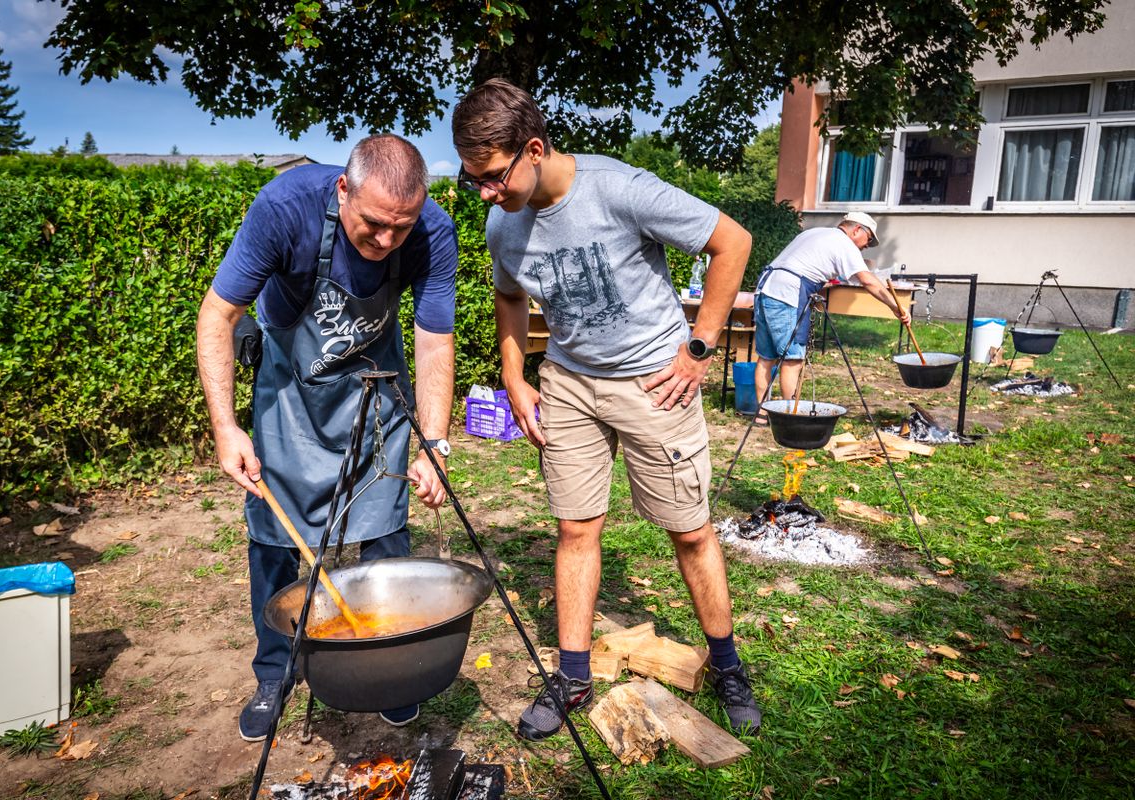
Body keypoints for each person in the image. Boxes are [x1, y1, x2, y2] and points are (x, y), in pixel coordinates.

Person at [451, 78, 762, 739]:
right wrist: (514, 376)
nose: (484, 192)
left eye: (493, 176)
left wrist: (699, 347)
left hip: (656, 383)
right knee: (575, 531)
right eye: (471, 178)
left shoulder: (619, 188)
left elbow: (731, 241)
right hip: (569, 385)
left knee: (690, 531)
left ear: (533, 150)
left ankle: (729, 664)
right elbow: (509, 297)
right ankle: (570, 674)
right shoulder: (502, 222)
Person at [195, 134, 457, 741]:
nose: (386, 241)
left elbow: (433, 338)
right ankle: (274, 670)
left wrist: (434, 444)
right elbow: (219, 315)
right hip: (291, 393)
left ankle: (391, 669)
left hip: (375, 389)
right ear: (343, 189)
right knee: (273, 536)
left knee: (387, 531)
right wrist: (226, 426)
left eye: (401, 226)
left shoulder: (432, 232)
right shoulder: (285, 208)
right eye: (372, 225)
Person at [752, 212, 910, 414]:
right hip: (788, 293)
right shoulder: (843, 243)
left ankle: (762, 415)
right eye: (868, 240)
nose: (865, 246)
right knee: (792, 359)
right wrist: (895, 307)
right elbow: (868, 280)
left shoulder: (815, 233)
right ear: (856, 230)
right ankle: (789, 417)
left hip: (765, 288)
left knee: (766, 357)